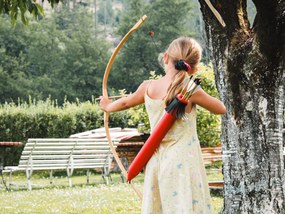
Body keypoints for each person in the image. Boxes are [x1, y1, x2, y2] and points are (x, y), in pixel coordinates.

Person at [100, 37, 226, 214]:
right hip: (184, 158)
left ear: (166, 57)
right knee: (184, 204)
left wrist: (106, 105)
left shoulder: (148, 87)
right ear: (193, 66)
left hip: (157, 157)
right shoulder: (190, 90)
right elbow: (221, 108)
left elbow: (124, 103)